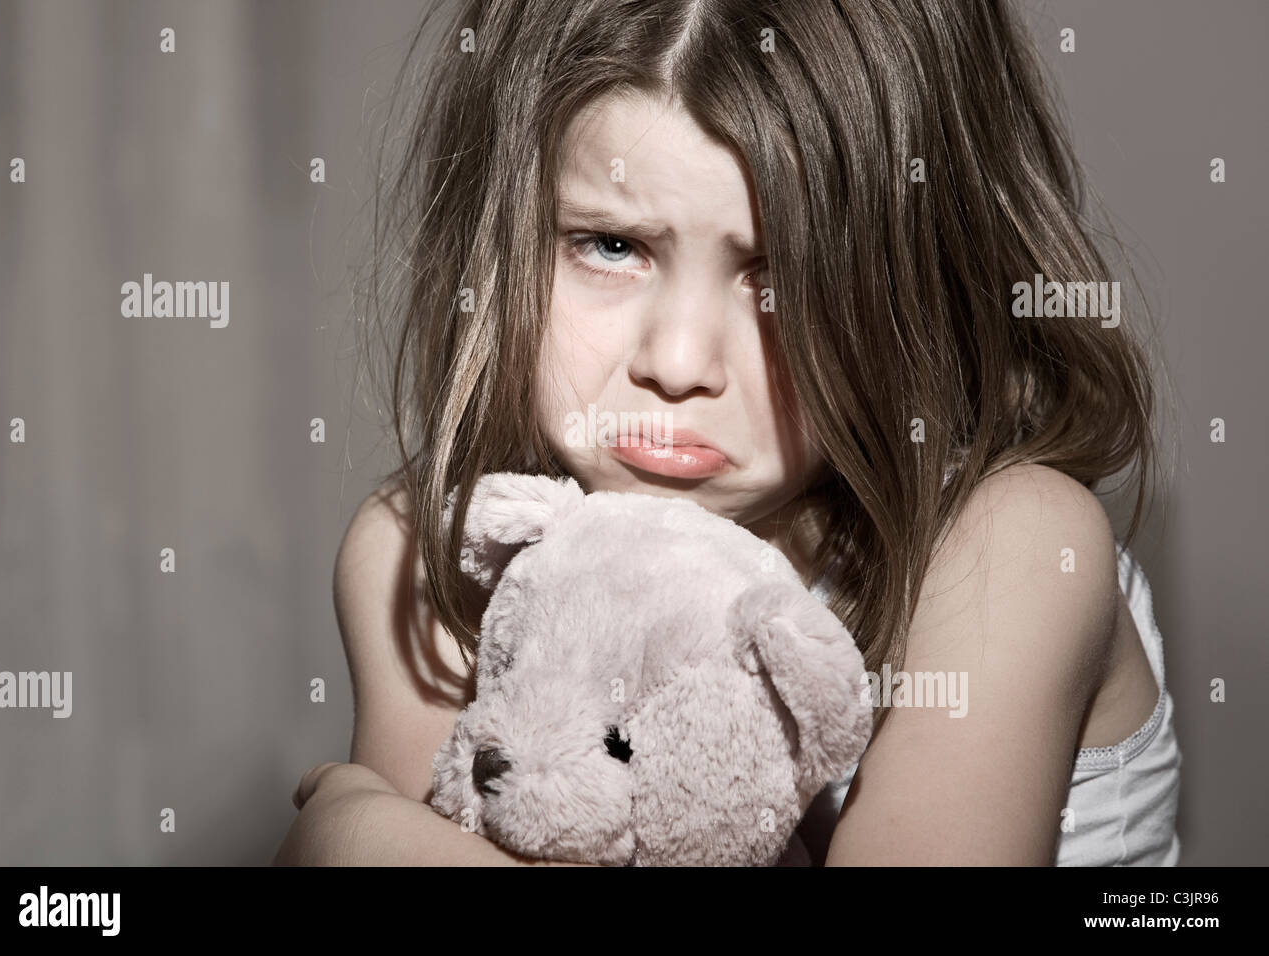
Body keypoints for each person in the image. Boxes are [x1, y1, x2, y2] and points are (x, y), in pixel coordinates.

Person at [274, 0, 1179, 867]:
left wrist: (355, 837)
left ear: (925, 281)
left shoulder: (1010, 545)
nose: (676, 361)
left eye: (777, 275)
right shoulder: (435, 556)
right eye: (611, 245)